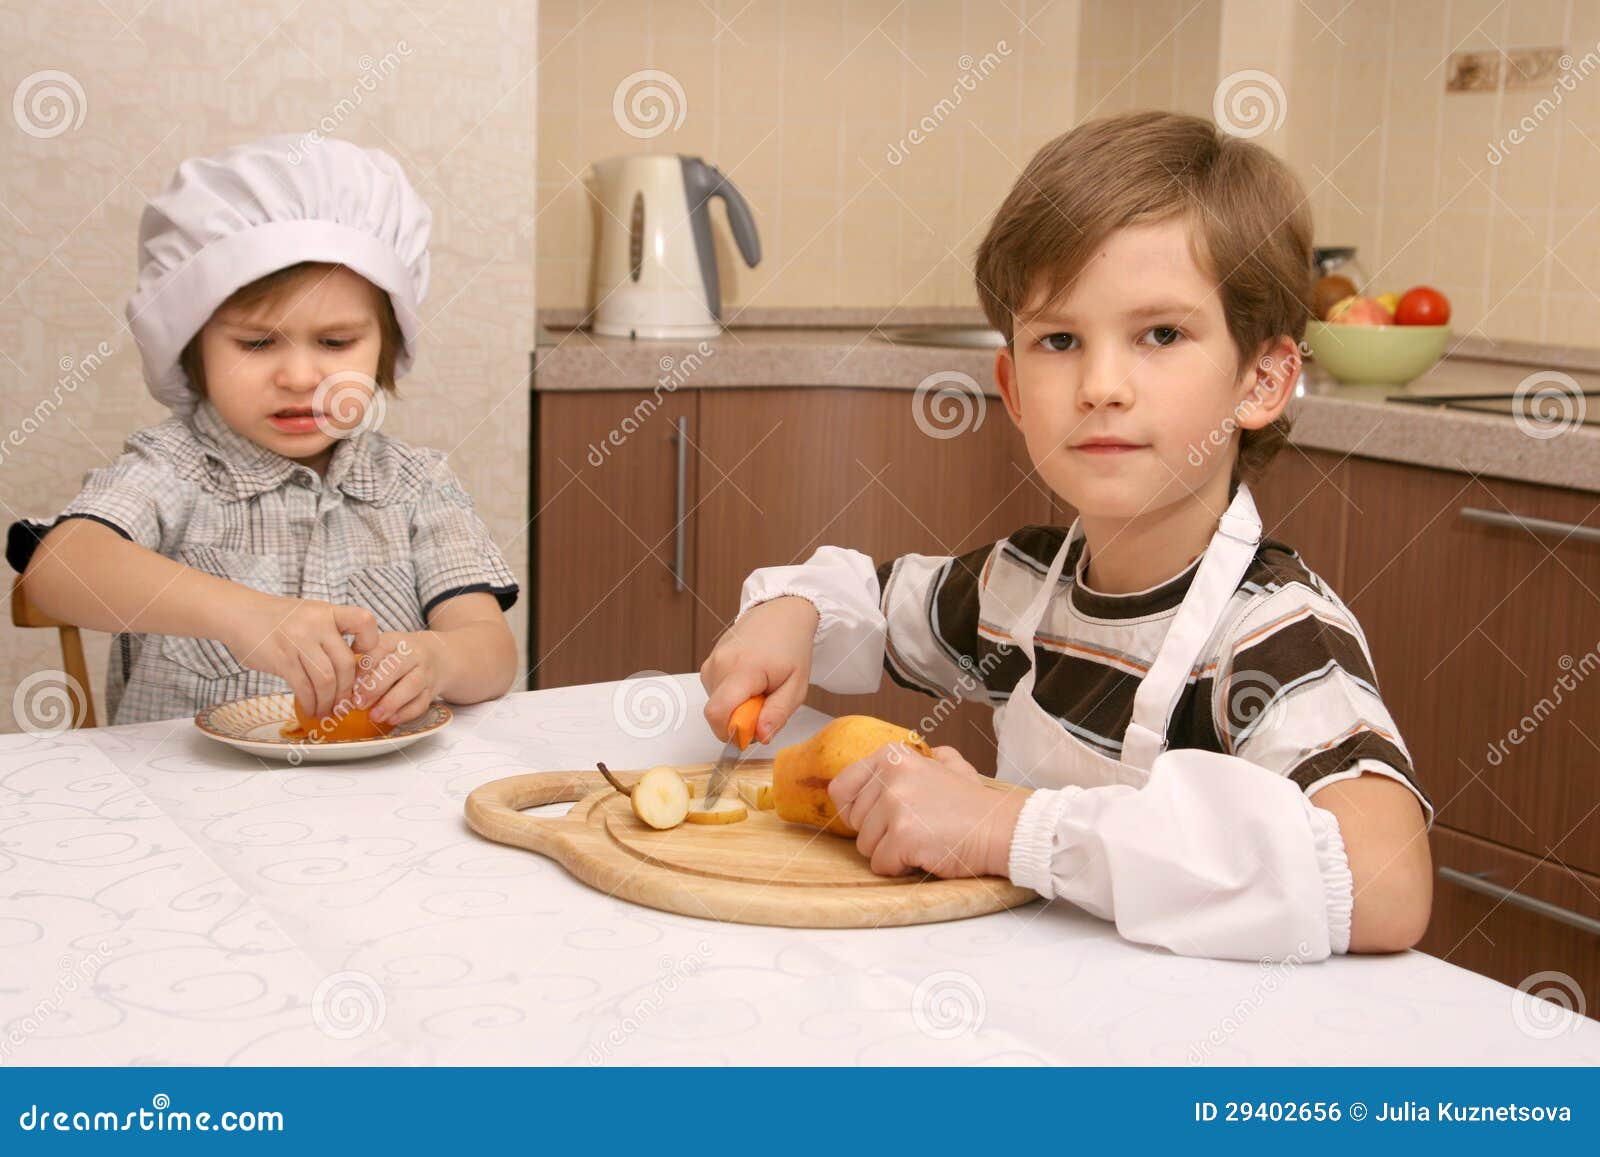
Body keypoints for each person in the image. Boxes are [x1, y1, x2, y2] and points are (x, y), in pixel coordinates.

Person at [699, 111, 1433, 962]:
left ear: (1263, 379)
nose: (1101, 385)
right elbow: (851, 599)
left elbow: (1385, 882)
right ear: (1011, 387)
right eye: (1059, 339)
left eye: (1161, 333)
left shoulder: (1273, 634)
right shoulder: (1021, 586)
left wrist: (1001, 822)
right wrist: (785, 611)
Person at [9, 135, 519, 730]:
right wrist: (243, 615)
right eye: (255, 343)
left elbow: (492, 650)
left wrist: (438, 659)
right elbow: (58, 570)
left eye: (335, 342)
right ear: (190, 347)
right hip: (188, 802)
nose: (300, 376)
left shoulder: (417, 485)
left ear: (388, 348)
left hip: (379, 799)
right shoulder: (171, 467)